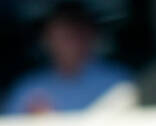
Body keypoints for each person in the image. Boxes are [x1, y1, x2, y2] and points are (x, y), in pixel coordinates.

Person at [3, 1, 132, 115]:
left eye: (75, 34)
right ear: (45, 40)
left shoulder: (118, 81)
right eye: (62, 36)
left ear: (91, 35)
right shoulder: (28, 90)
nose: (70, 43)